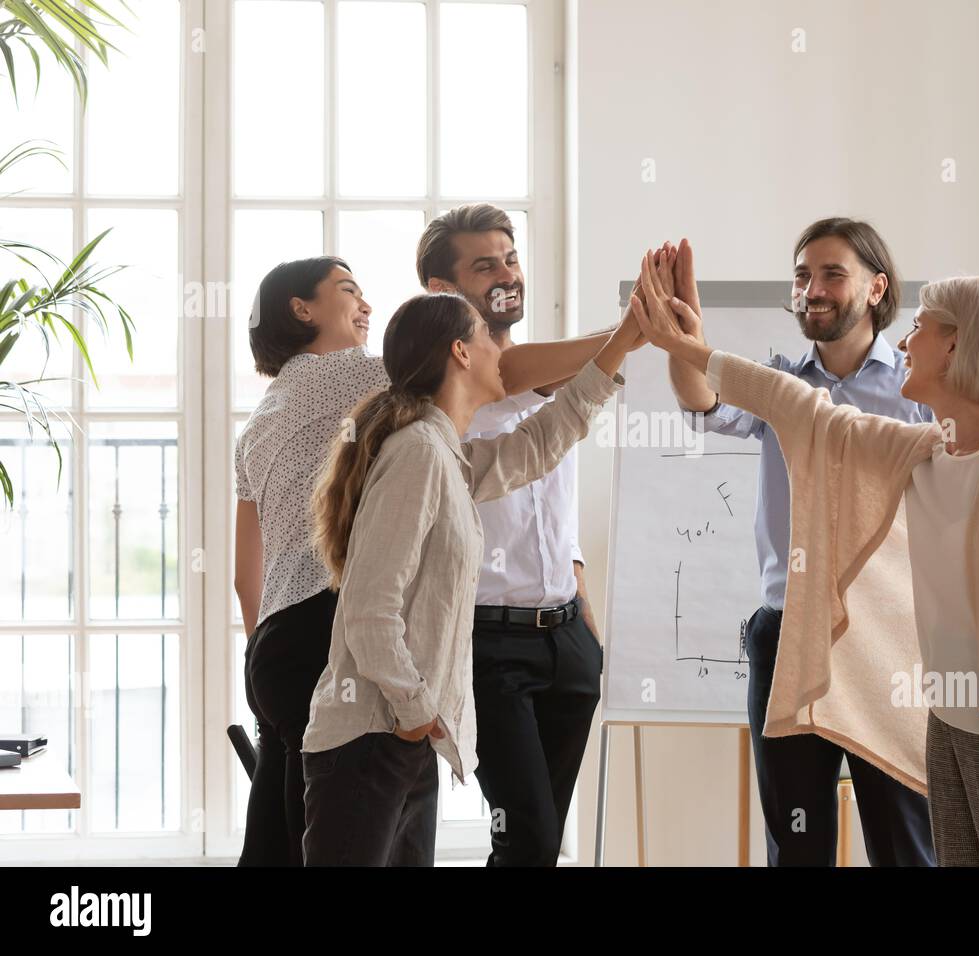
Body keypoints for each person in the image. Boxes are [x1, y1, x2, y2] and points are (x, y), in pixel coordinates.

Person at [633, 252, 979, 866]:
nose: (907, 340)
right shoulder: (926, 451)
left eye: (922, 327)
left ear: (955, 348)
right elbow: (806, 412)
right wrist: (690, 349)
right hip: (947, 724)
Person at [233, 257, 616, 866]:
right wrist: (622, 338)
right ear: (301, 309)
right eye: (348, 291)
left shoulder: (263, 419)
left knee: (283, 842)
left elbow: (242, 571)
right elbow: (506, 371)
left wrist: (263, 659)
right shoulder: (358, 380)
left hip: (280, 645)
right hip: (331, 639)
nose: (365, 306)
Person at [666, 221, 937, 867]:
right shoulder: (777, 386)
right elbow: (701, 399)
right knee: (799, 845)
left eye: (830, 274)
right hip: (785, 632)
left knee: (906, 845)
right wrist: (683, 335)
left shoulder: (916, 391)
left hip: (887, 638)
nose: (811, 290)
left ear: (876, 288)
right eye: (801, 276)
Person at [414, 204, 676, 865]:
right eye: (484, 264)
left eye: (511, 257)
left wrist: (578, 585)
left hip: (564, 639)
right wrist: (632, 328)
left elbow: (548, 495)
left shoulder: (544, 368)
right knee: (525, 836)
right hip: (488, 647)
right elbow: (513, 373)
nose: (506, 273)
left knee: (536, 844)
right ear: (442, 292)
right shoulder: (448, 381)